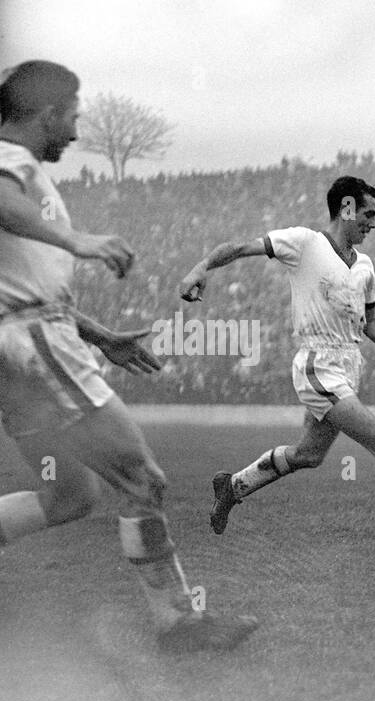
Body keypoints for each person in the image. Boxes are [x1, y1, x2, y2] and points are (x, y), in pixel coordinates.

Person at [0, 60, 256, 651]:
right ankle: (179, 624)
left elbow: (22, 293)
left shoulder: (23, 172)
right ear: (47, 113)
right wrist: (76, 240)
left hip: (27, 345)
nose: (75, 130)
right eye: (73, 116)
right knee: (141, 479)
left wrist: (102, 337)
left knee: (69, 497)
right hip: (36, 350)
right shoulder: (9, 166)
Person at [177, 175, 375, 555]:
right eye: (368, 213)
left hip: (347, 365)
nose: (373, 223)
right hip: (317, 364)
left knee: (309, 455)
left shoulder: (365, 267)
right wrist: (200, 268)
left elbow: (370, 321)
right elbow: (242, 248)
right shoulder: (305, 243)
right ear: (346, 208)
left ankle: (233, 487)